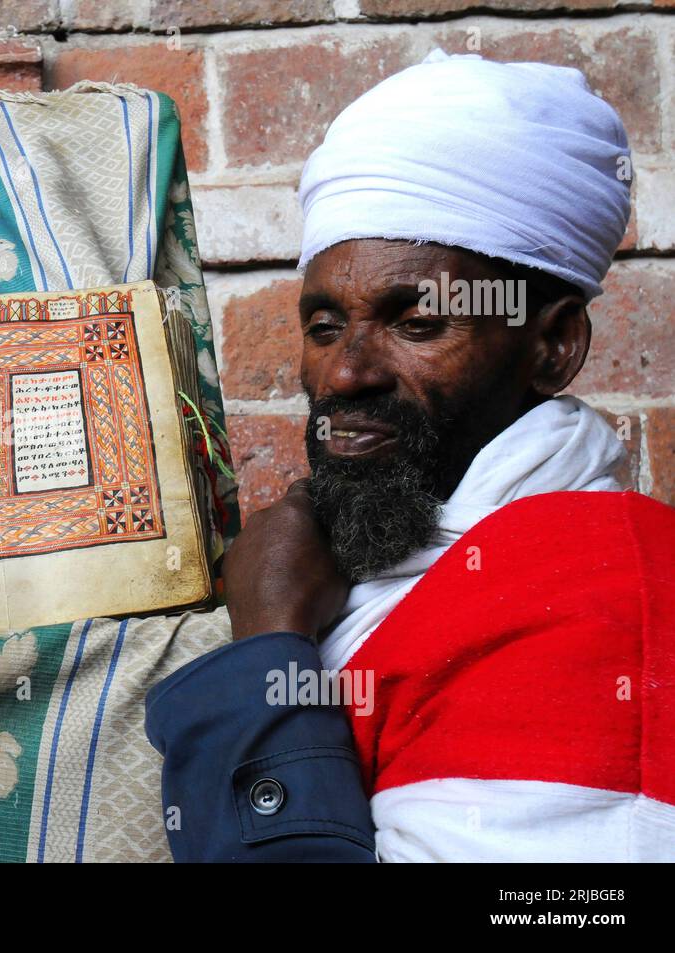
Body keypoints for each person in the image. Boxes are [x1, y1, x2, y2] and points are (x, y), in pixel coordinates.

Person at [145, 50, 675, 862]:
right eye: (324, 327)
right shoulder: (388, 570)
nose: (346, 373)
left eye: (417, 323)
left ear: (554, 346)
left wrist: (270, 642)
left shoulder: (600, 595)